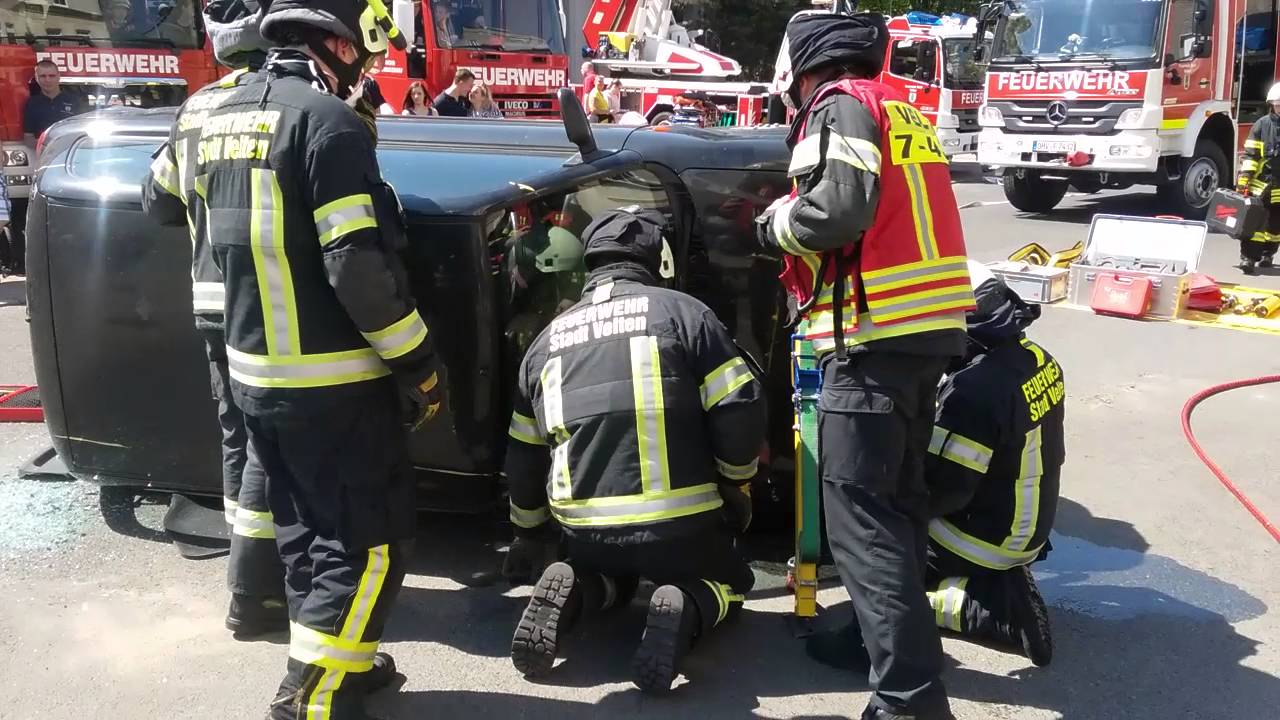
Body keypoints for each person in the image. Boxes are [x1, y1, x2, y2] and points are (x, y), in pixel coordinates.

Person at [195, 1, 445, 717]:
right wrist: (419, 363)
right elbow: (355, 267)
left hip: (254, 375)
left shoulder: (223, 115)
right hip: (332, 382)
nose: (366, 66)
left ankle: (342, 667)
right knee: (368, 546)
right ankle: (311, 700)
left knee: (307, 537)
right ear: (336, 43)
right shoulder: (327, 124)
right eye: (362, 51)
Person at [757, 12, 974, 720]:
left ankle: (908, 702)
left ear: (803, 66)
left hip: (871, 339)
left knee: (861, 523)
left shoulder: (839, 104)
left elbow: (837, 214)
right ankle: (869, 642)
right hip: (922, 335)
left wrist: (771, 223)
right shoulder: (899, 106)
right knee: (896, 511)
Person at [502, 207, 765, 694]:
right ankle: (687, 603)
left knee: (613, 576)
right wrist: (735, 482)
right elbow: (738, 405)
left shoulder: (543, 343)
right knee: (731, 583)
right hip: (679, 525)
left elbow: (523, 454)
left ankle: (578, 588)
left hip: (584, 530)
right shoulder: (685, 314)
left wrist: (529, 533)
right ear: (659, 260)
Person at [142, 0, 287, 639]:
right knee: (278, 438)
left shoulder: (197, 107)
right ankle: (265, 580)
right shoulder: (287, 99)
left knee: (238, 434)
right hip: (278, 303)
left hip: (212, 301)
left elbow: (158, 200)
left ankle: (245, 568)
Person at [924, 262, 1060, 668]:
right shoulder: (1038, 358)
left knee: (876, 566)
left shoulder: (972, 391)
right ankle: (997, 578)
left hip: (982, 541)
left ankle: (990, 609)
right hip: (1028, 528)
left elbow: (945, 493)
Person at [1235, 83, 1280, 274]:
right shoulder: (1262, 125)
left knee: (1275, 226)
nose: (1279, 107)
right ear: (1271, 104)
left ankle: (1268, 254)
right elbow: (1251, 155)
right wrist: (1244, 178)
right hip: (1261, 185)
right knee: (1253, 224)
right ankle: (1248, 258)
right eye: (1277, 104)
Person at [23, 60, 81, 145]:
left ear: (59, 76)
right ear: (36, 78)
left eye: (52, 76)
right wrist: (46, 147)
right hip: (44, 152)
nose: (48, 80)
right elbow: (28, 138)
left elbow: (82, 132)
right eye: (43, 76)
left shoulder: (74, 101)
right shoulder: (32, 104)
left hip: (69, 150)